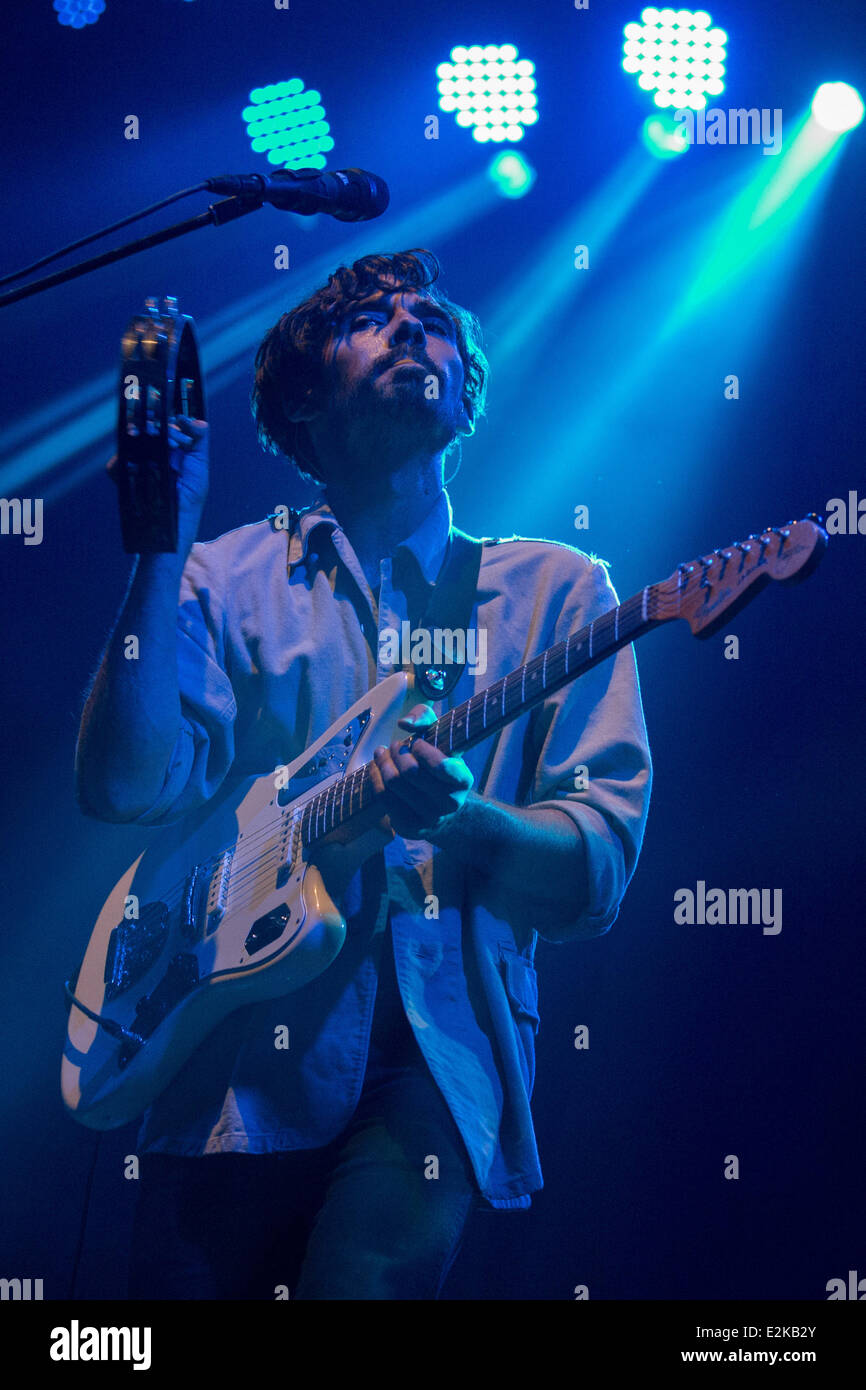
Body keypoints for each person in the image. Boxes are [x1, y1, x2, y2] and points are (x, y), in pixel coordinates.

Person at [75, 248, 653, 1300]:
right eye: (371, 318)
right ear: (301, 396)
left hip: (431, 1056)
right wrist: (158, 541)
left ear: (465, 393)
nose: (408, 328)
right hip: (219, 1060)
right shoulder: (223, 576)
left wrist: (463, 821)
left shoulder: (561, 595)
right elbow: (121, 785)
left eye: (429, 318)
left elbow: (593, 878)